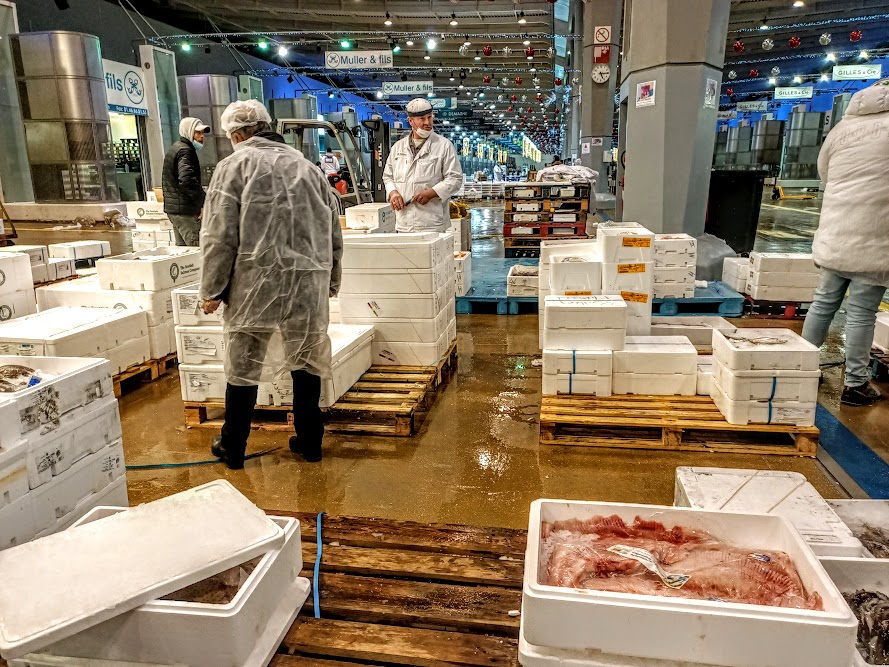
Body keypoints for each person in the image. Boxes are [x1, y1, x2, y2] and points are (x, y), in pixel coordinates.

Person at [199, 99, 343, 467]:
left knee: (243, 363)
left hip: (253, 283)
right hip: (306, 283)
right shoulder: (308, 168)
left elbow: (219, 234)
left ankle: (234, 446)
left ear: (238, 133)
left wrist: (212, 289)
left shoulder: (233, 166)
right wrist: (332, 279)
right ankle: (310, 443)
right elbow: (332, 229)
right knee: (306, 360)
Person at [802, 78, 889, 406]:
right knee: (862, 312)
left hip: (836, 234)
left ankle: (803, 367)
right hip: (875, 238)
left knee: (822, 303)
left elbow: (824, 172)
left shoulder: (841, 129)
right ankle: (855, 383)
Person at [383, 98, 463, 233]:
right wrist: (393, 193)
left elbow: (455, 179)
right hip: (404, 222)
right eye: (422, 119)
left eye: (430, 117)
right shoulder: (398, 147)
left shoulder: (443, 146)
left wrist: (432, 193)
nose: (428, 123)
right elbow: (387, 176)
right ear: (410, 121)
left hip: (432, 223)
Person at [162, 117, 209, 246]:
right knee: (196, 252)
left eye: (202, 133)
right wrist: (203, 202)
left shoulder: (176, 148)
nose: (201, 137)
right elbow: (187, 180)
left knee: (183, 256)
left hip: (176, 211)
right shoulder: (185, 151)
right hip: (186, 212)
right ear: (188, 132)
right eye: (197, 133)